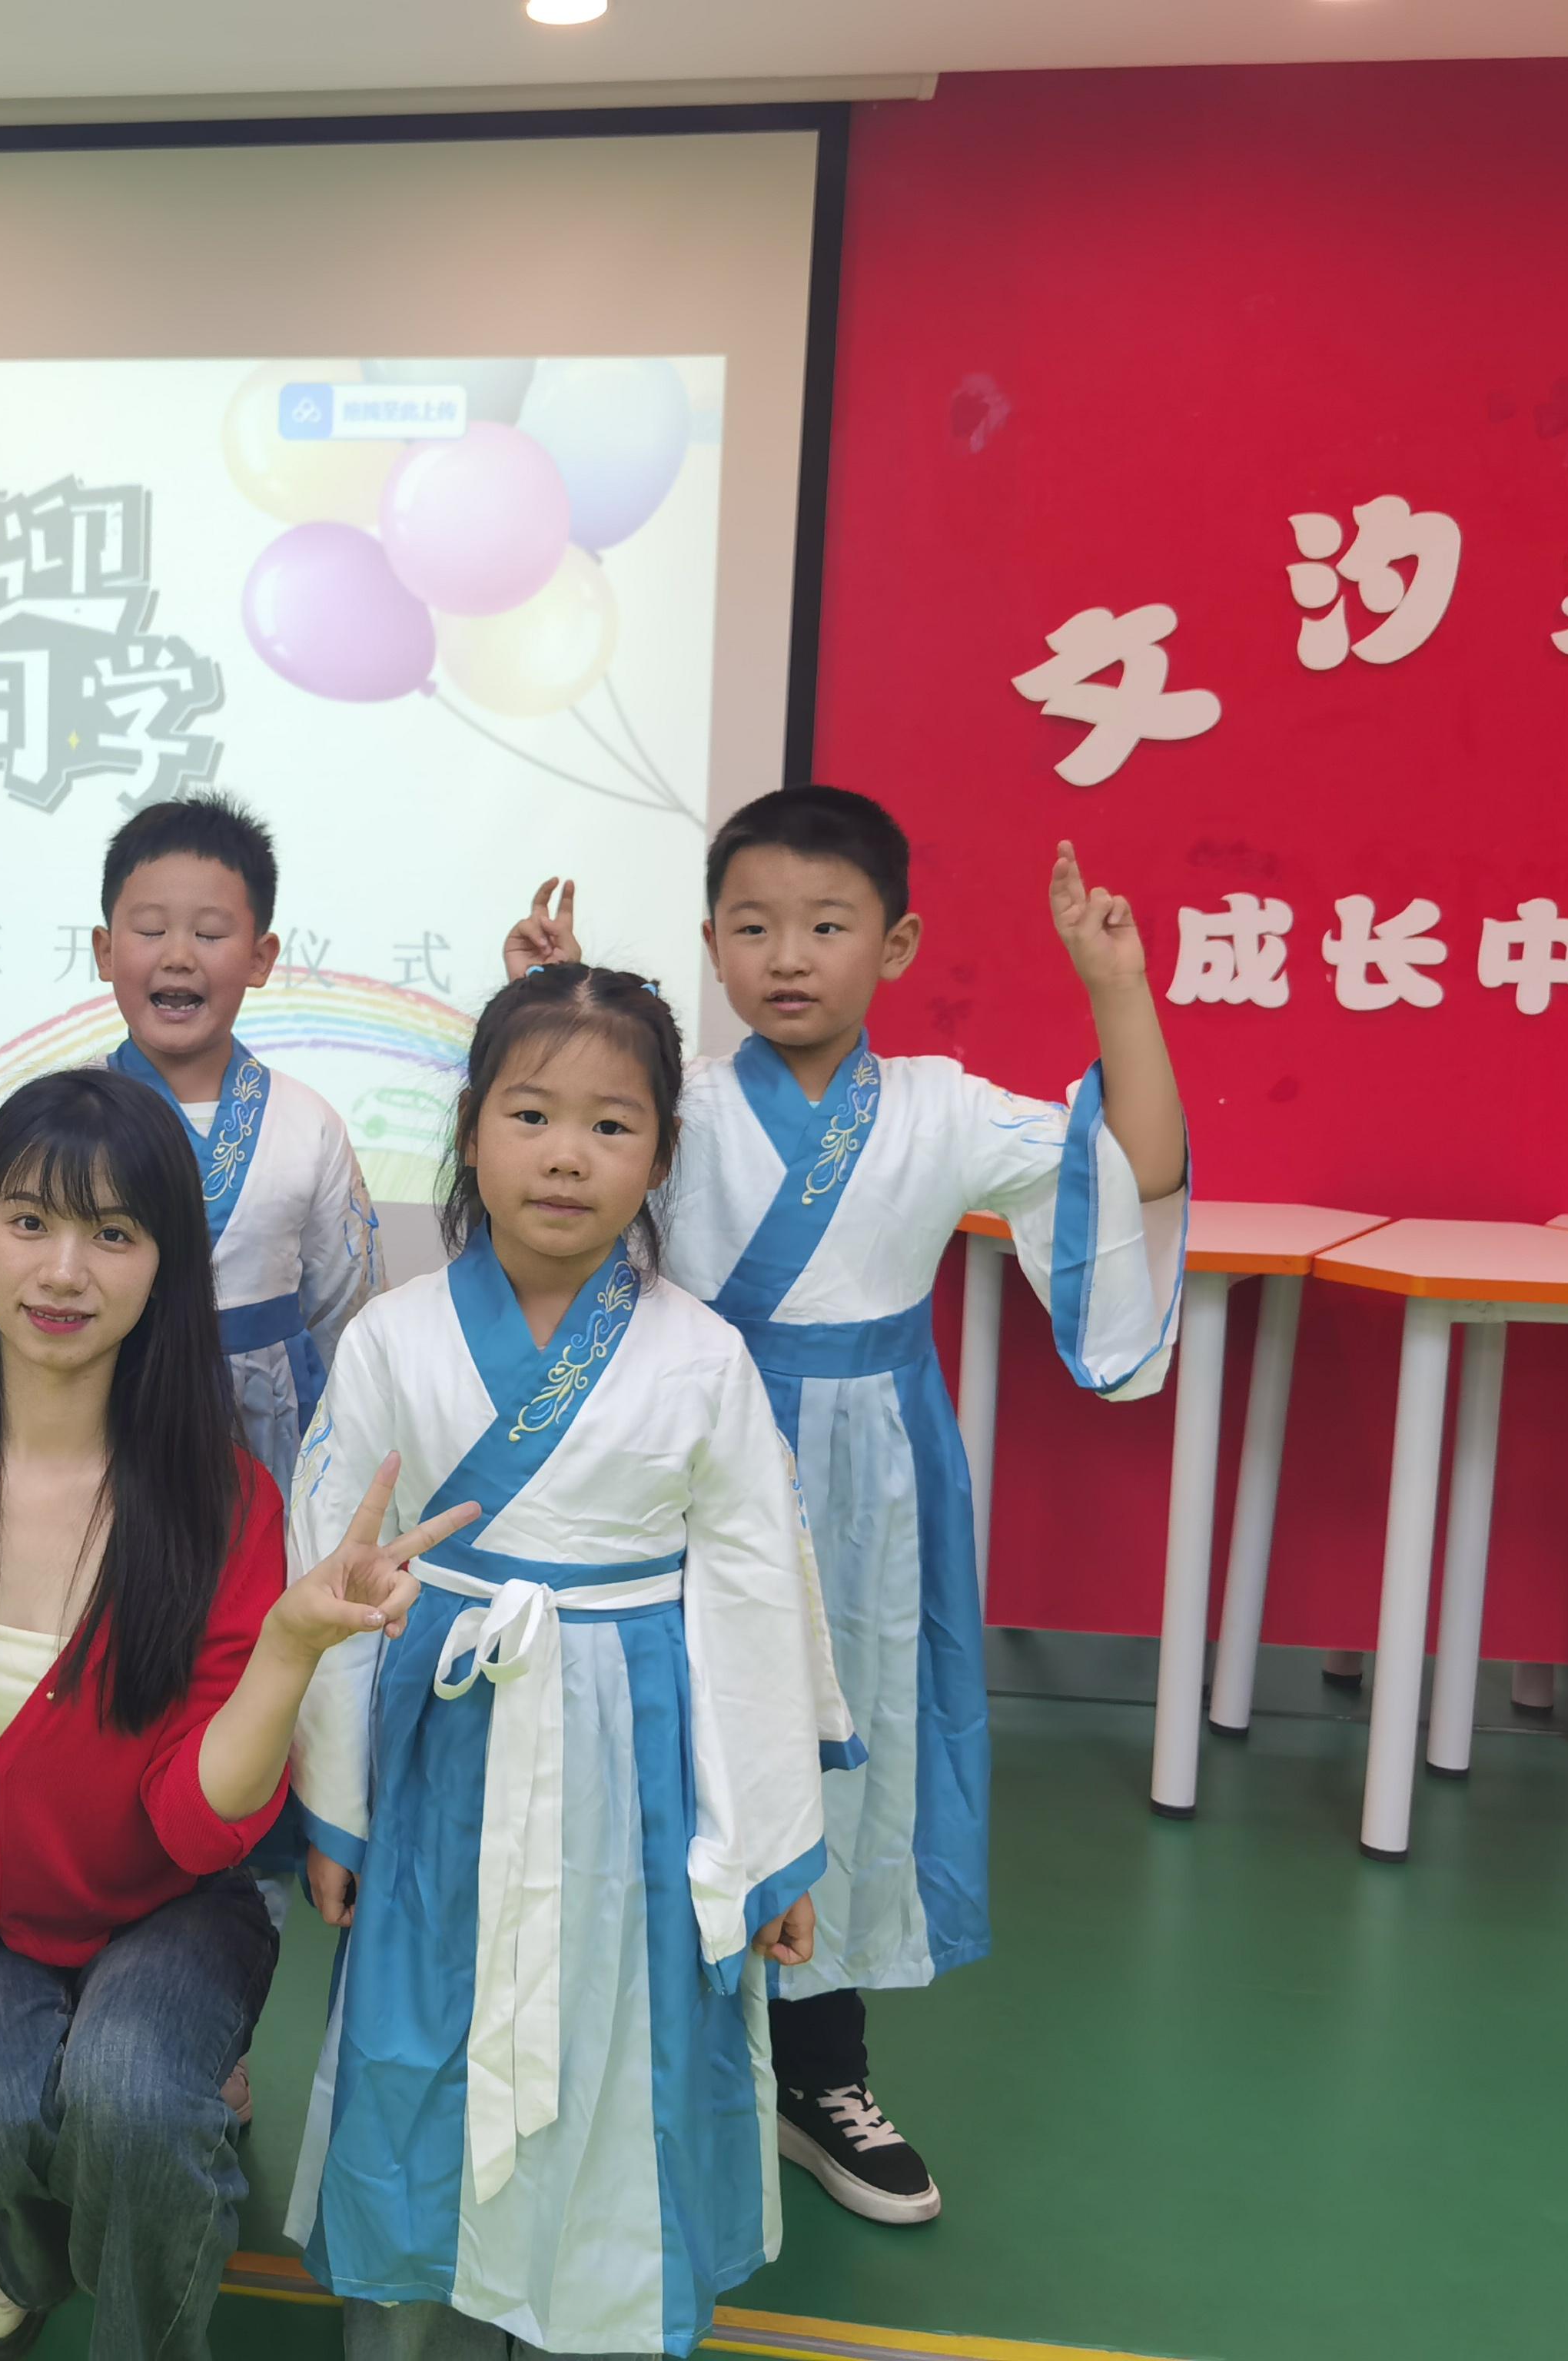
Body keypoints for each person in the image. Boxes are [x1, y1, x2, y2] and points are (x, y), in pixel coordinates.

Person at [500, 789, 1187, 2224]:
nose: (789, 956)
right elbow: (548, 1186)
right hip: (683, 1462)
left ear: (898, 943)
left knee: (838, 1761)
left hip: (870, 1494)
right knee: (666, 1748)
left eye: (826, 925)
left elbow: (1132, 1172)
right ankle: (642, 2070)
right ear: (710, 945)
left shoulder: (940, 1107)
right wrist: (555, 1024)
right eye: (754, 927)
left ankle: (821, 2078)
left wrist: (1116, 988)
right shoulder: (674, 1102)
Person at [290, 965, 855, 2361]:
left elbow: (752, 1594)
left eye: (612, 1125)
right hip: (442, 1748)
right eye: (531, 1114)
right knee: (423, 2031)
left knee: (618, 2035)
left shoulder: (703, 1358)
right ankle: (412, 2322)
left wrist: (770, 1842)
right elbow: (331, 1568)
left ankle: (587, 2316)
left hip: (631, 1763)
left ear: (660, 1155)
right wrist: (338, 1804)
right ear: (472, 1130)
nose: (565, 1155)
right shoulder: (392, 1338)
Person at [0, 1068, 447, 2361]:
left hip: (167, 1911)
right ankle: (57, 2201)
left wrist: (288, 1647)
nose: (63, 1271)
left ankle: (95, 2236)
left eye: (113, 1234)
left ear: (166, 1265)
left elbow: (193, 1826)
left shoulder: (220, 1501)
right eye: (28, 1221)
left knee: (135, 2100)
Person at [95, 794, 378, 1475]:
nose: (178, 957)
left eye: (211, 934)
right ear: (105, 950)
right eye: (150, 930)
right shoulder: (61, 1118)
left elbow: (346, 1314)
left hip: (271, 1440)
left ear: (260, 956)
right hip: (103, 1422)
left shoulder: (308, 1124)